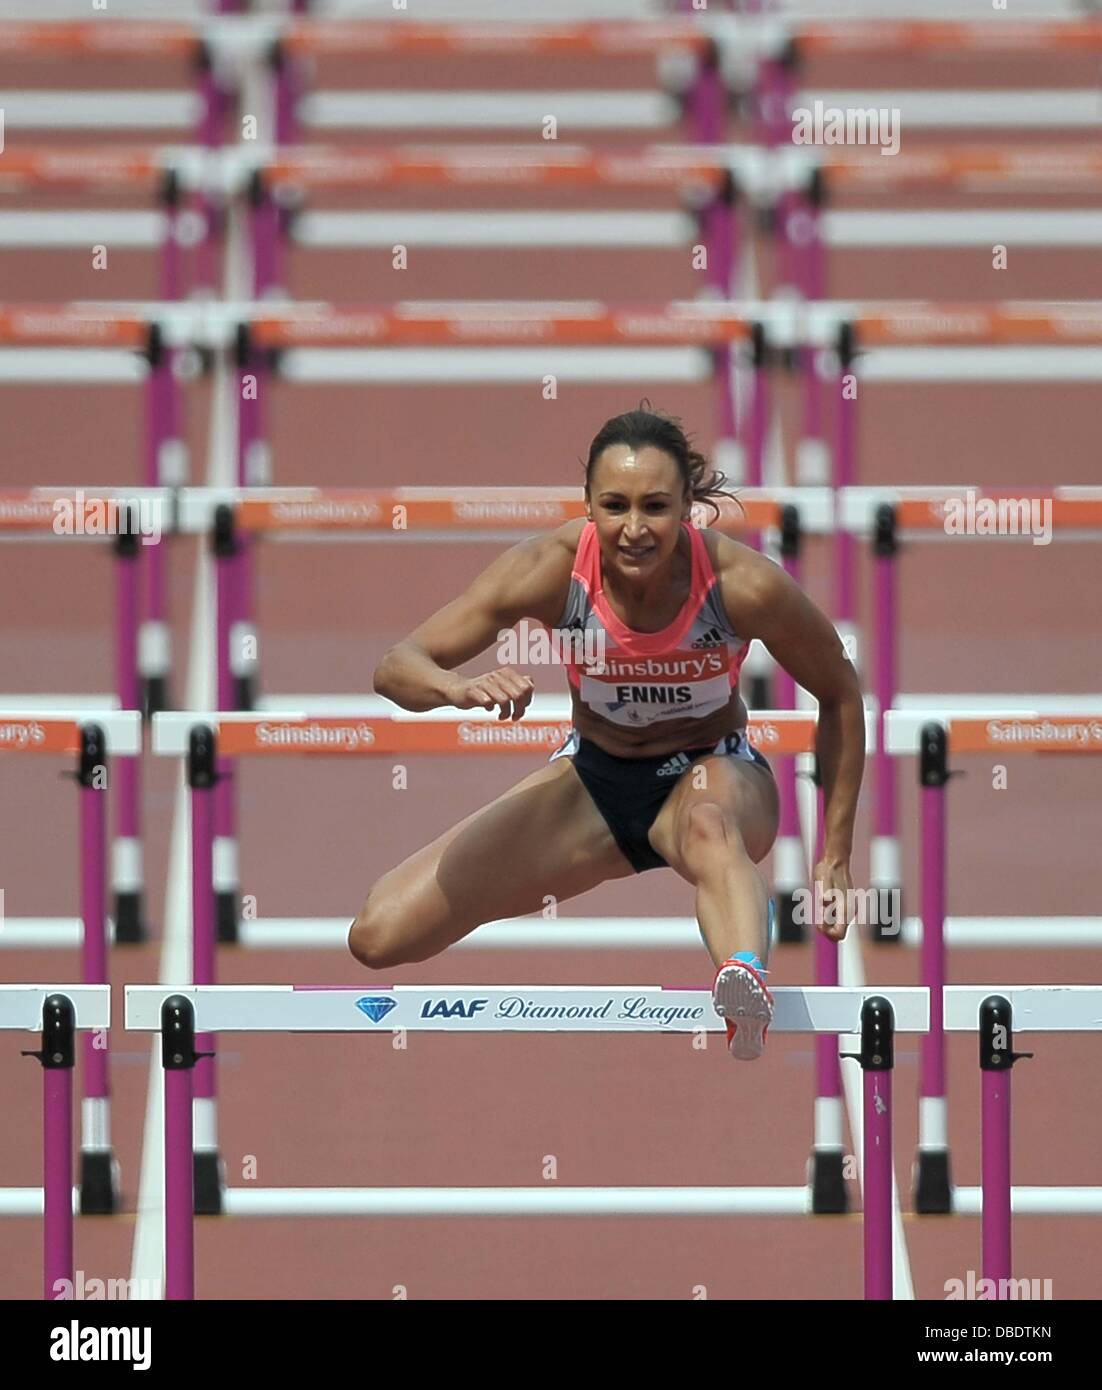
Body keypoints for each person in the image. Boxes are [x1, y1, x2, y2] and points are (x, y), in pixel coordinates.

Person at [349, 407, 865, 1060]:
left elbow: (840, 692)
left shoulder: (741, 584)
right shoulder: (551, 569)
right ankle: (736, 964)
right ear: (588, 506)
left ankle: (743, 980)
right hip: (595, 783)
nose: (635, 528)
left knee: (707, 823)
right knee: (379, 934)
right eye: (615, 506)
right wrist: (458, 688)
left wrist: (835, 856)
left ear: (688, 508)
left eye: (655, 507)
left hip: (712, 773)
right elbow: (398, 665)